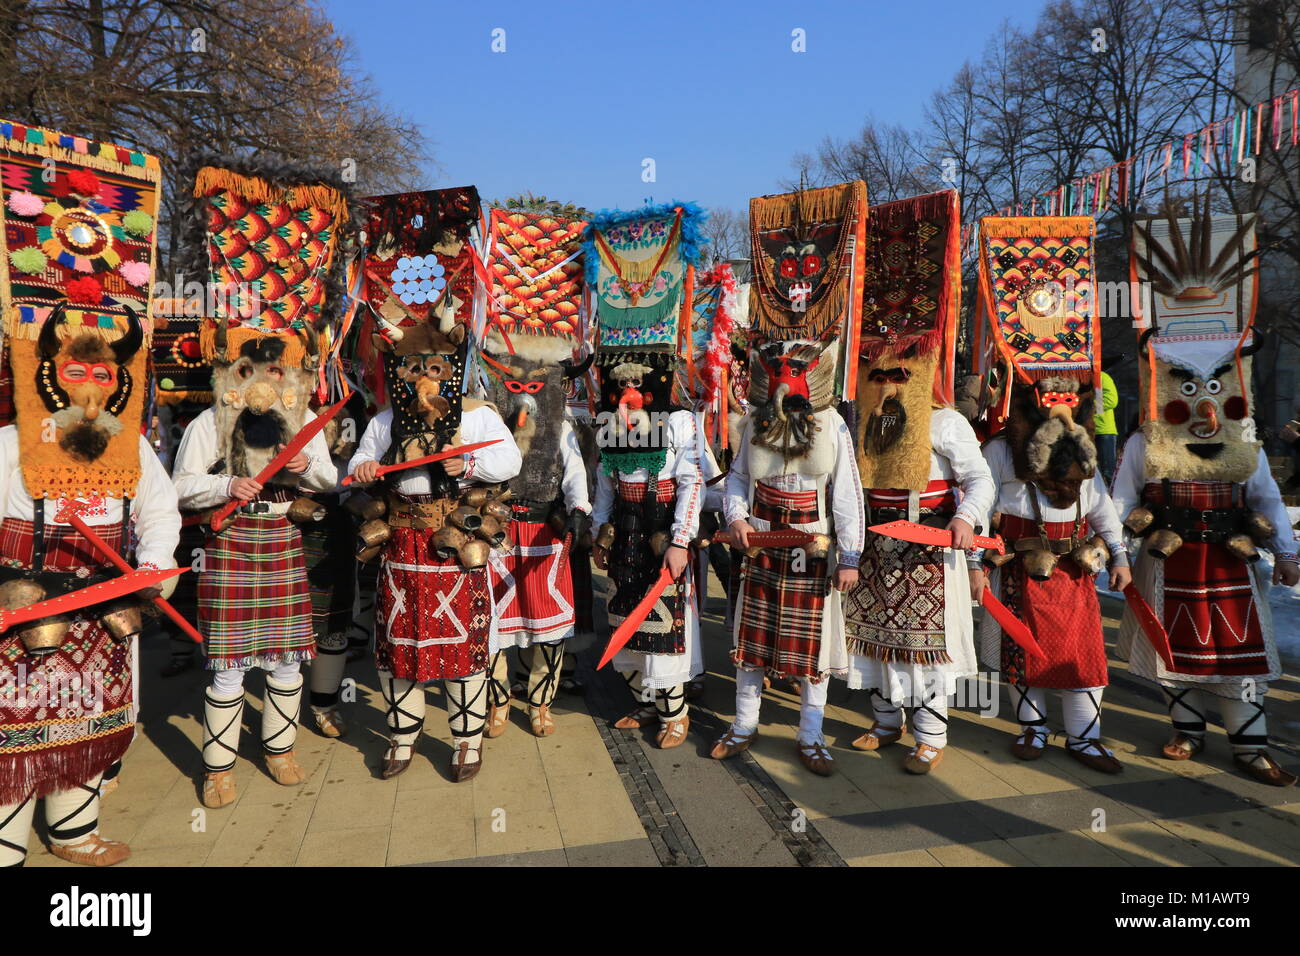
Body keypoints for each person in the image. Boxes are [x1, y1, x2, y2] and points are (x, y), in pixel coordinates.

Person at [1118, 206, 1296, 786]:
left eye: (1213, 385)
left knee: (1239, 653)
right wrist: (1116, 555)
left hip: (1231, 560)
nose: (1200, 400)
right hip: (1168, 561)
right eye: (1188, 385)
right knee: (1176, 655)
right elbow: (1120, 501)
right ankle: (1186, 731)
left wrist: (1289, 552)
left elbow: (1267, 498)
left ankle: (1250, 746)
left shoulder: (1243, 440)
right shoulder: (1147, 440)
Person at [0, 299, 179, 867]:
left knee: (89, 725)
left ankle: (75, 833)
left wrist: (153, 564)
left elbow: (159, 511)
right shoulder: (11, 441)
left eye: (103, 374)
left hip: (103, 605)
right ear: (50, 373)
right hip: (21, 606)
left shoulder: (130, 443)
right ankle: (6, 845)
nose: (90, 385)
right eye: (76, 371)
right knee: (13, 736)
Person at [842, 190, 991, 776]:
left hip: (929, 542)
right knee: (872, 631)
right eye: (879, 373)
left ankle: (930, 733)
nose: (889, 383)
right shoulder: (858, 421)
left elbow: (979, 479)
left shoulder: (946, 421)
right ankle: (884, 720)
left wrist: (964, 519)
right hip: (875, 537)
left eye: (900, 372)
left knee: (926, 641)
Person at [716, 340, 864, 776]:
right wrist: (737, 518)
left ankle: (811, 733)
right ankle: (744, 724)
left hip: (813, 544)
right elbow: (738, 479)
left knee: (811, 647)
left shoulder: (833, 424)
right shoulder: (753, 423)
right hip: (760, 539)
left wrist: (850, 555)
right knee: (752, 641)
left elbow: (847, 494)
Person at [1095, 368, 1119, 485]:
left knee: (1108, 471)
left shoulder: (1102, 376)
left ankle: (1114, 498)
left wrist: (1089, 407)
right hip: (1087, 431)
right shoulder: (1080, 378)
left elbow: (1111, 400)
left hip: (1104, 430)